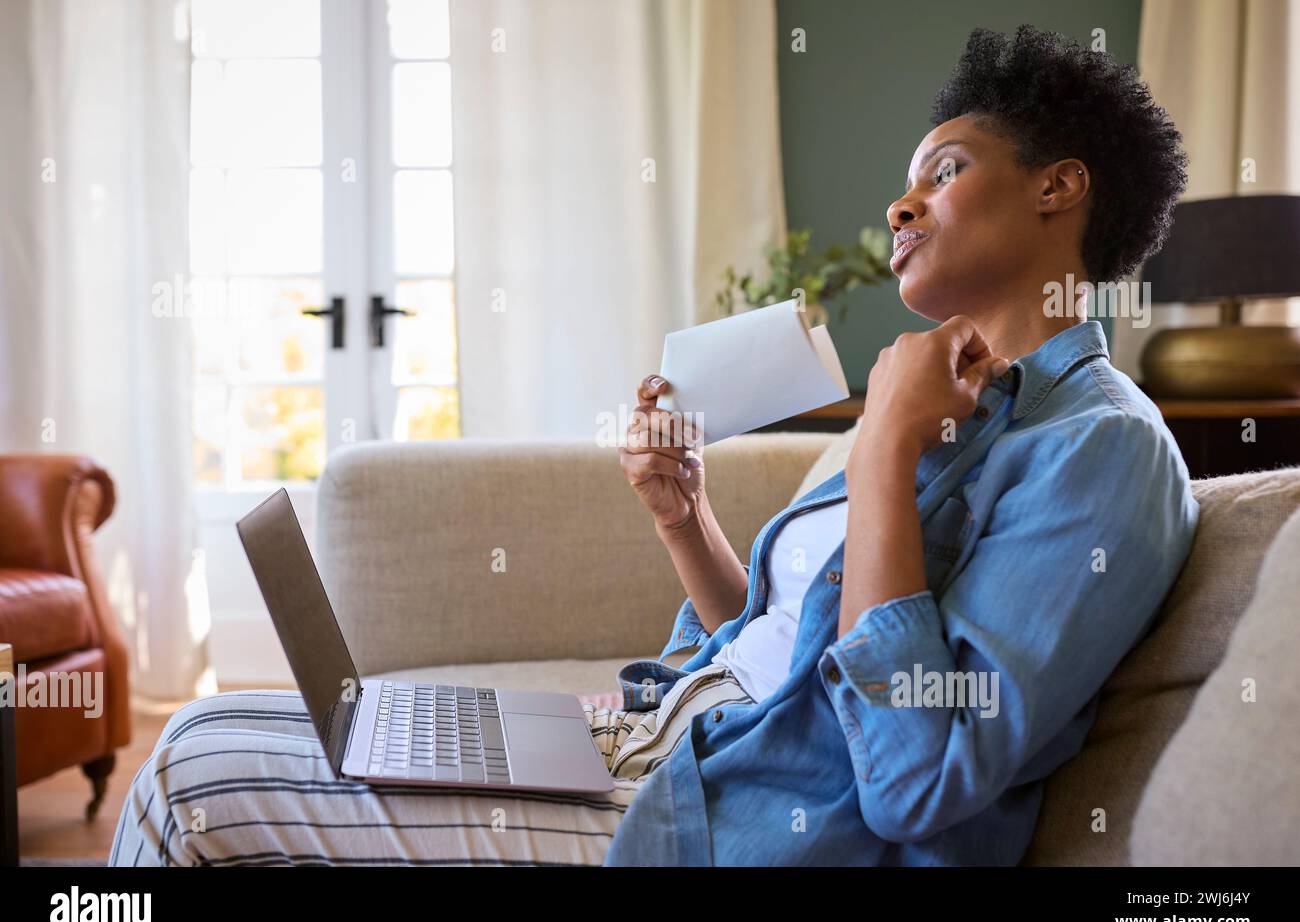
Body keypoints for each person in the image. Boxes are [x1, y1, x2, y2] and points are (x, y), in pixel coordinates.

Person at [110, 24, 1198, 866]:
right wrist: (687, 520)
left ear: (1058, 186)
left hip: (732, 825)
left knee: (188, 774)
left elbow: (915, 776)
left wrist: (881, 448)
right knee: (236, 724)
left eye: (944, 170)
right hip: (660, 742)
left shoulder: (1102, 450)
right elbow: (779, 655)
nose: (900, 201)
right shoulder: (937, 398)